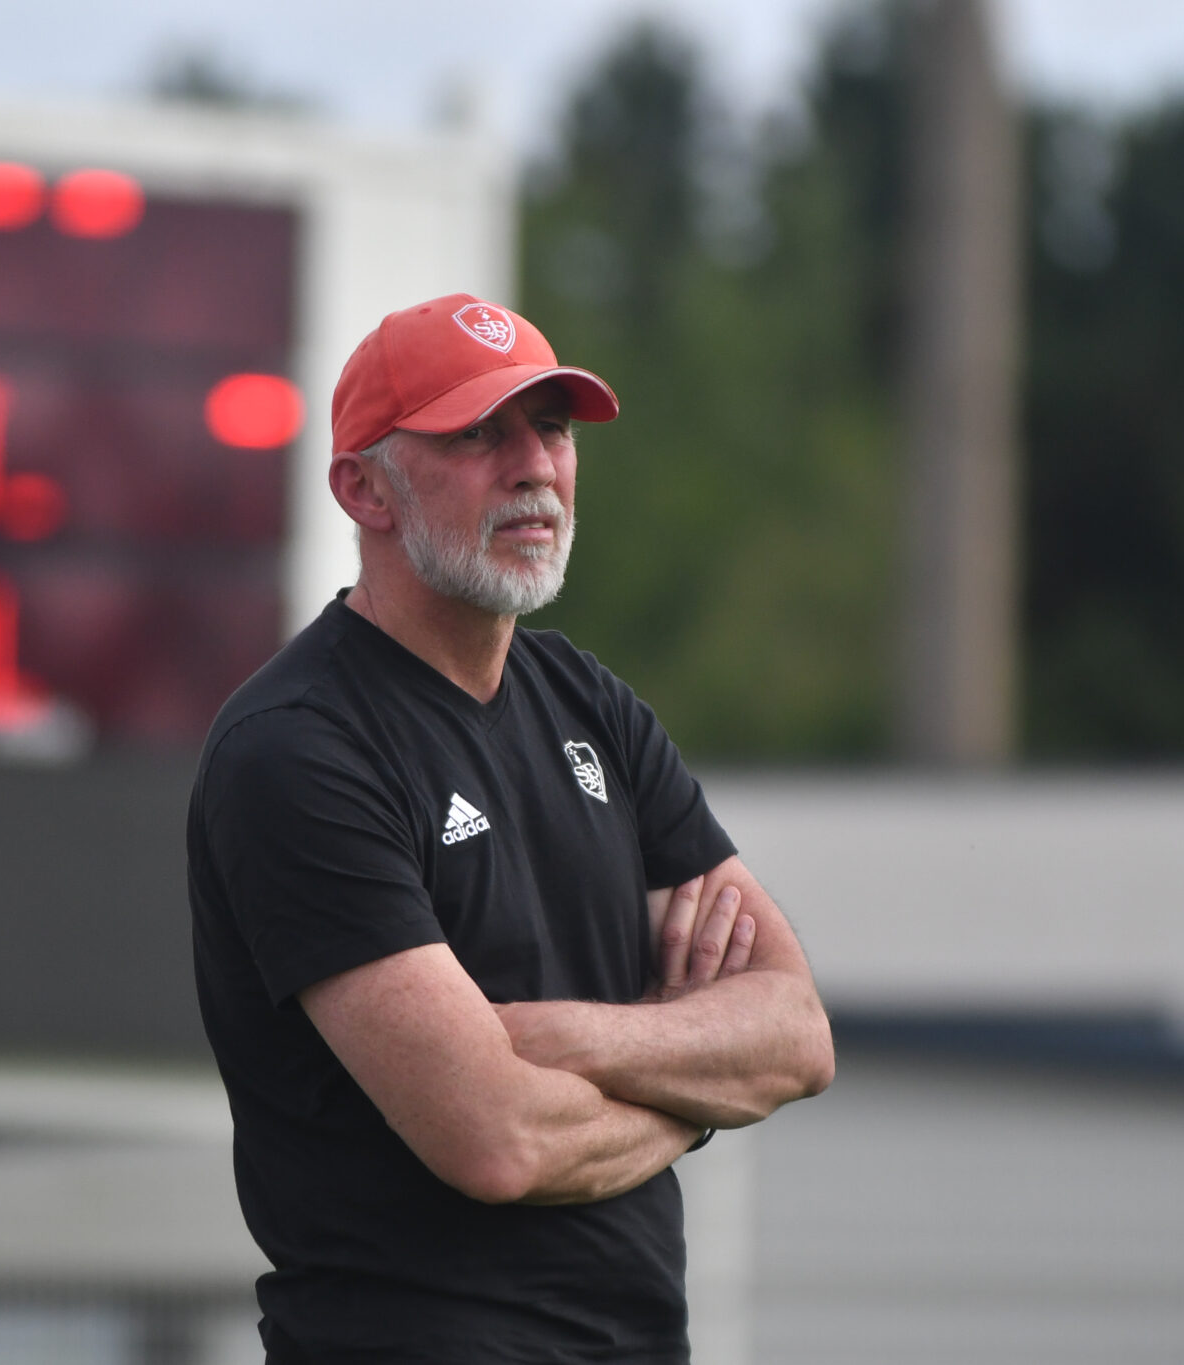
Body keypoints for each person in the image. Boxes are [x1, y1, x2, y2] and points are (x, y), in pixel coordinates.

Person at [188, 293, 835, 1364]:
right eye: (478, 434)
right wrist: (696, 1092)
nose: (533, 465)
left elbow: (796, 1036)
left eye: (552, 429)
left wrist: (559, 1040)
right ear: (363, 488)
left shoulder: (584, 698)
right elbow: (495, 1139)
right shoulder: (295, 749)